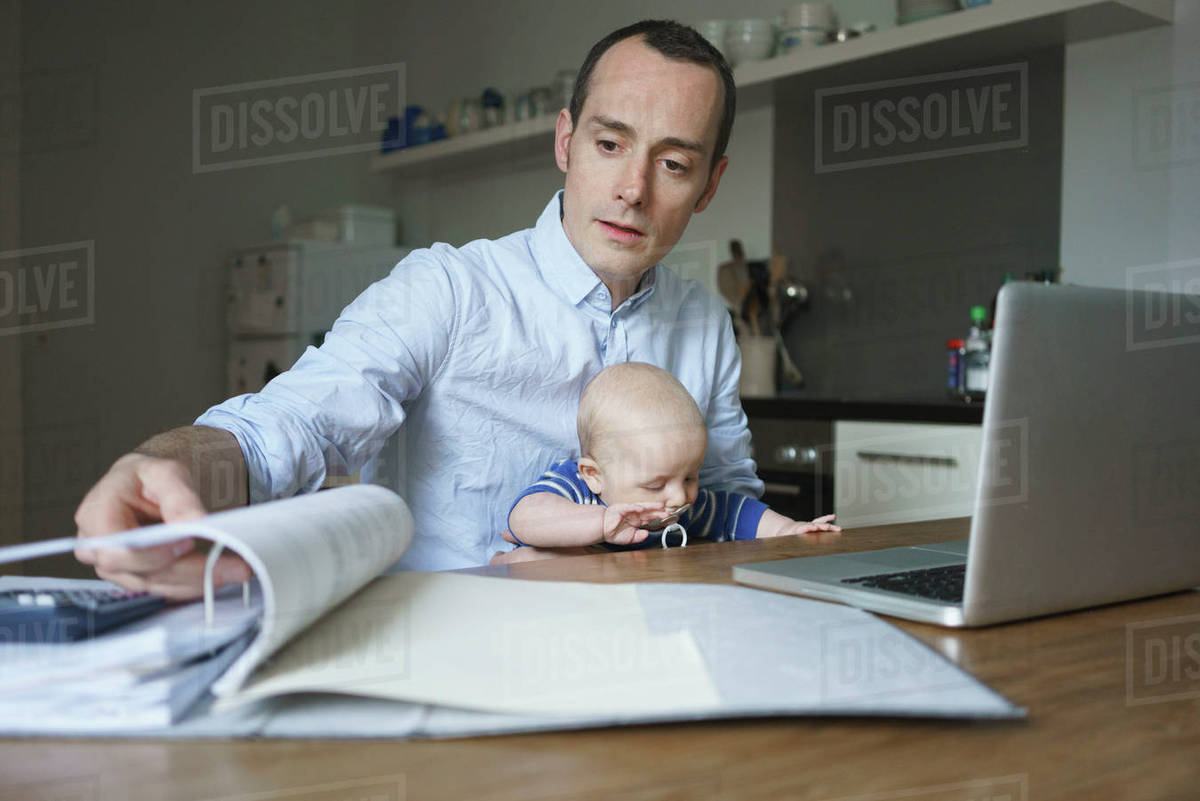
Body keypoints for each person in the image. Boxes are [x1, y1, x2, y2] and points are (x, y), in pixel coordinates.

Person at [74, 20, 769, 598]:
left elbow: (730, 508)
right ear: (565, 140)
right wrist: (161, 466)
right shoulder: (447, 290)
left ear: (709, 185)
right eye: (609, 144)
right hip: (452, 665)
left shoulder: (706, 326)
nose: (632, 189)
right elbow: (286, 430)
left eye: (673, 164)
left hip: (637, 665)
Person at [505, 363, 839, 554]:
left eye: (690, 477)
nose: (680, 497)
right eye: (655, 484)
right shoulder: (579, 490)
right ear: (594, 473)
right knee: (530, 560)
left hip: (650, 612)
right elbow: (524, 518)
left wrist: (789, 529)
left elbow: (734, 514)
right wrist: (600, 524)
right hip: (580, 616)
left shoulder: (678, 510)